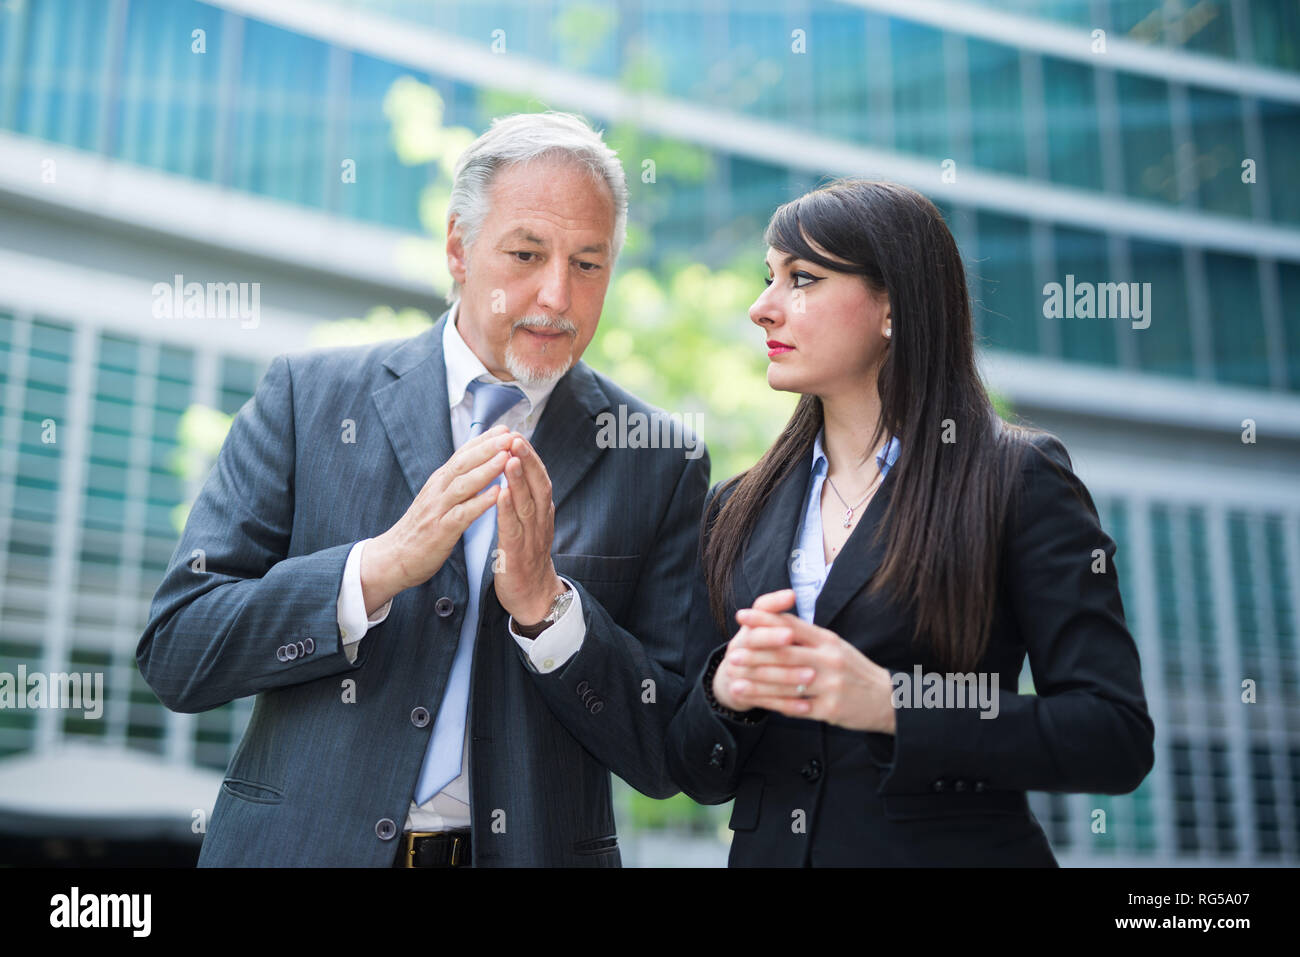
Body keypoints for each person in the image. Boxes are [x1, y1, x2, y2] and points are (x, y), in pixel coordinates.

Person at [137, 111, 708, 867]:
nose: (557, 294)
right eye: (527, 253)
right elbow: (179, 647)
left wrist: (551, 614)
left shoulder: (660, 461)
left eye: (588, 264)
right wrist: (374, 569)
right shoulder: (308, 399)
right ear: (457, 248)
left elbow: (674, 748)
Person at [665, 179, 1155, 866]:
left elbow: (1114, 734)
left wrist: (895, 704)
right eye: (766, 278)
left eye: (801, 279)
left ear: (893, 304)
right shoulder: (733, 507)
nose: (761, 308)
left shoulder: (1016, 477)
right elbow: (693, 770)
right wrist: (725, 693)